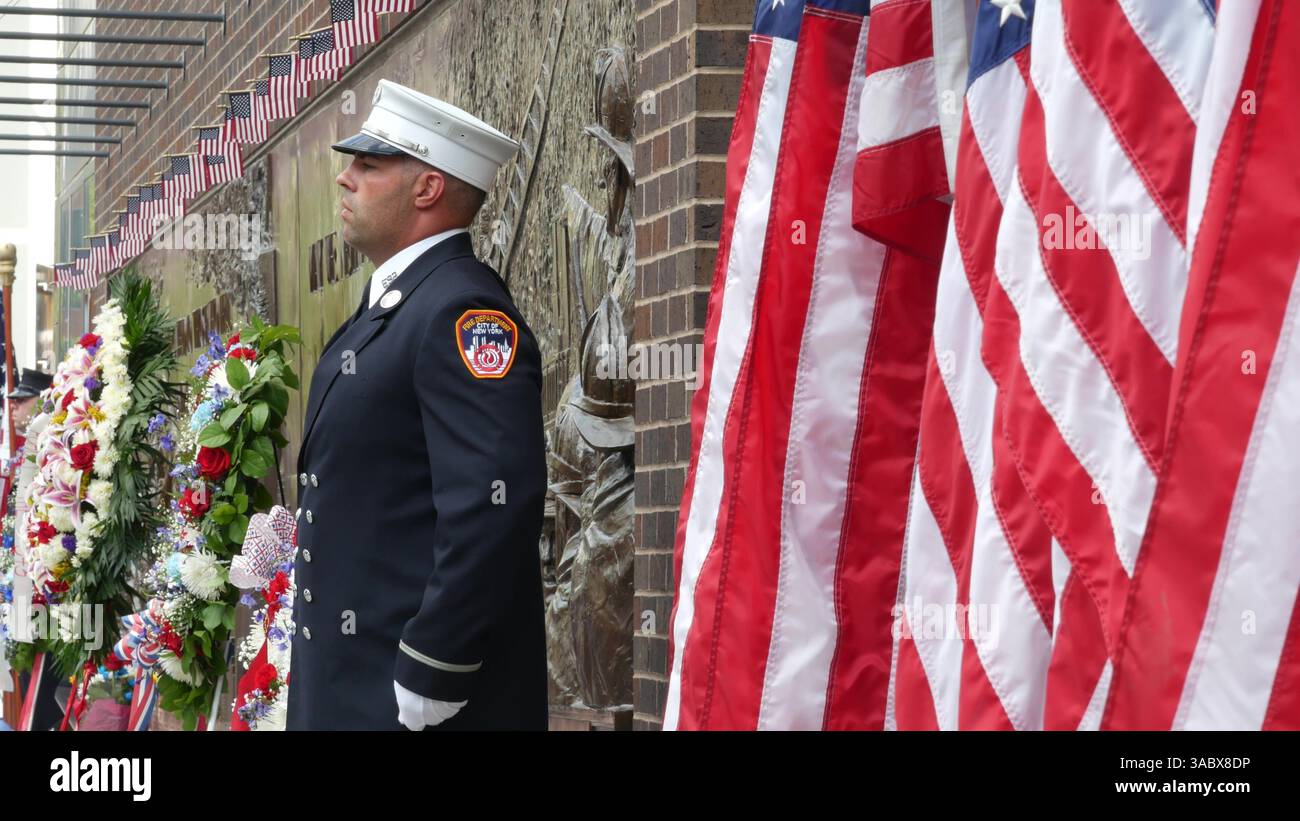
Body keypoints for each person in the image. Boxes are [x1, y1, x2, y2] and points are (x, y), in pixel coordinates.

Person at [286, 80, 548, 730]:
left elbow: (493, 500)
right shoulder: (398, 306)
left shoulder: (462, 310)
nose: (345, 179)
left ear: (428, 188)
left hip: (411, 706)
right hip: (352, 692)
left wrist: (435, 666)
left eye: (368, 164)